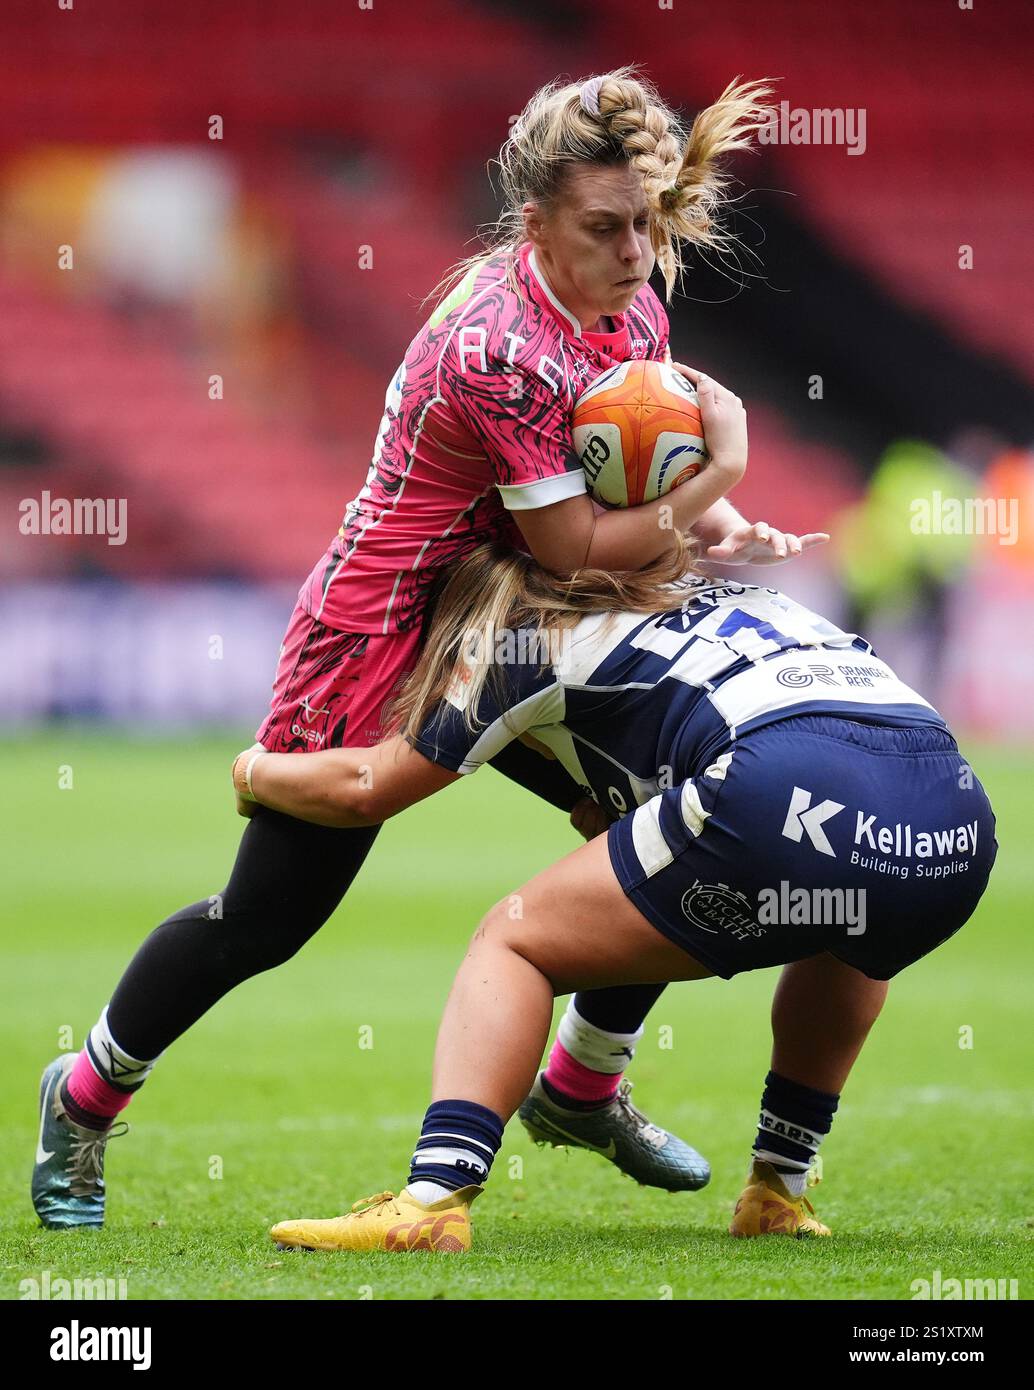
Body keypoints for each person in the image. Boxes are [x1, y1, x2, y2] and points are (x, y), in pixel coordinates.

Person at [32, 67, 821, 1229]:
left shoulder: (631, 307)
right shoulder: (494, 347)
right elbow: (574, 539)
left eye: (643, 224)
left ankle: (582, 1086)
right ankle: (84, 1100)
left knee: (647, 826)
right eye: (602, 228)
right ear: (534, 220)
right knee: (269, 919)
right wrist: (723, 471)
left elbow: (623, 481)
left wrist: (709, 521)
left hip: (515, 609)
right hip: (383, 628)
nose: (633, 251)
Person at [225, 535, 997, 1250]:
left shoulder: (522, 631)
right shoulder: (712, 592)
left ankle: (433, 1199)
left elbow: (367, 787)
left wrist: (253, 772)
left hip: (784, 781)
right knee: (853, 928)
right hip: (952, 817)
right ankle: (778, 1189)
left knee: (514, 941)